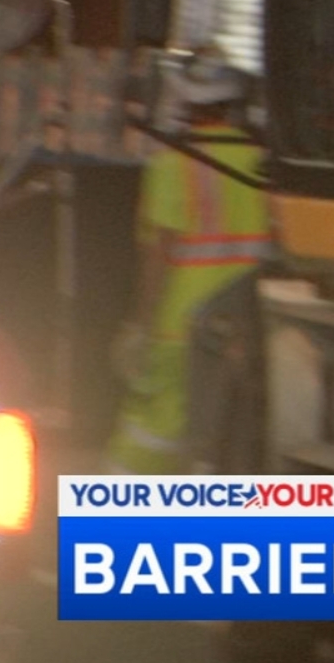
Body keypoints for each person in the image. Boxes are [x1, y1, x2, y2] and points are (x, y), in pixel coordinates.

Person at [105, 47, 272, 476]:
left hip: (180, 325)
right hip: (250, 321)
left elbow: (159, 254)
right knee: (224, 431)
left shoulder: (172, 166)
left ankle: (114, 507)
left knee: (153, 427)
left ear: (184, 105)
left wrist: (139, 323)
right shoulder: (261, 163)